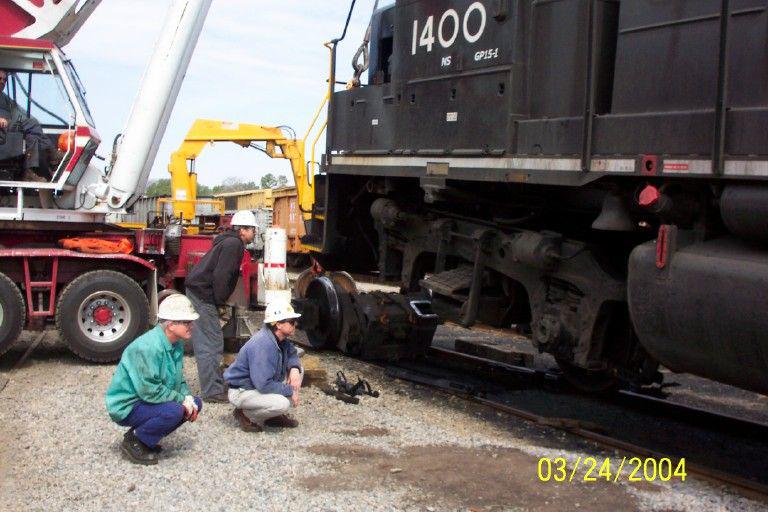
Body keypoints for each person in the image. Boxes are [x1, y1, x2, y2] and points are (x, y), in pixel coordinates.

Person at [105, 294, 202, 465]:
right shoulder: (147, 348)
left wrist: (188, 399)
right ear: (171, 325)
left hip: (145, 399)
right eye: (187, 322)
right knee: (174, 411)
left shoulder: (175, 343)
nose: (191, 326)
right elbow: (149, 391)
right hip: (128, 405)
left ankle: (144, 436)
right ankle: (135, 440)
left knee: (195, 403)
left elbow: (179, 379)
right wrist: (181, 401)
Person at [185, 209, 257, 403]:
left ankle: (214, 385)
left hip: (200, 291)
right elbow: (222, 275)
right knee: (210, 343)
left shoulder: (228, 241)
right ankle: (212, 391)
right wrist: (220, 301)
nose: (255, 234)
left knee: (211, 340)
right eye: (253, 230)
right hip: (203, 294)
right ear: (243, 230)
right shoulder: (234, 245)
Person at [224, 300, 303, 432]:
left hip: (256, 385)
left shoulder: (279, 339)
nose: (296, 324)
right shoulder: (263, 345)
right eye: (292, 321)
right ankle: (243, 414)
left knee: (299, 371)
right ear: (278, 324)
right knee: (282, 404)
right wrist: (291, 390)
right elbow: (263, 385)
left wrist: (294, 369)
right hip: (242, 390)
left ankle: (272, 417)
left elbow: (292, 353)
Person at [0, 69, 52, 182]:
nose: (2, 82)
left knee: (32, 137)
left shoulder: (4, 98)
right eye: (0, 79)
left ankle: (31, 170)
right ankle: (50, 151)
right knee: (31, 123)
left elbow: (18, 113)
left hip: (7, 130)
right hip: (2, 131)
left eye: (4, 80)